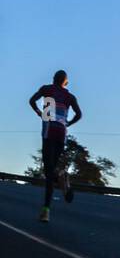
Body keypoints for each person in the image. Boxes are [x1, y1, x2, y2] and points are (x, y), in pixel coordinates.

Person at [27, 70, 81, 222]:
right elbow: (79, 114)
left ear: (53, 79)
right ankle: (61, 175)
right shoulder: (70, 97)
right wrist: (68, 123)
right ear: (65, 82)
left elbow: (31, 101)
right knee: (51, 169)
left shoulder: (46, 89)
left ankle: (46, 210)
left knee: (49, 172)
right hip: (61, 134)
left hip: (49, 132)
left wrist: (39, 112)